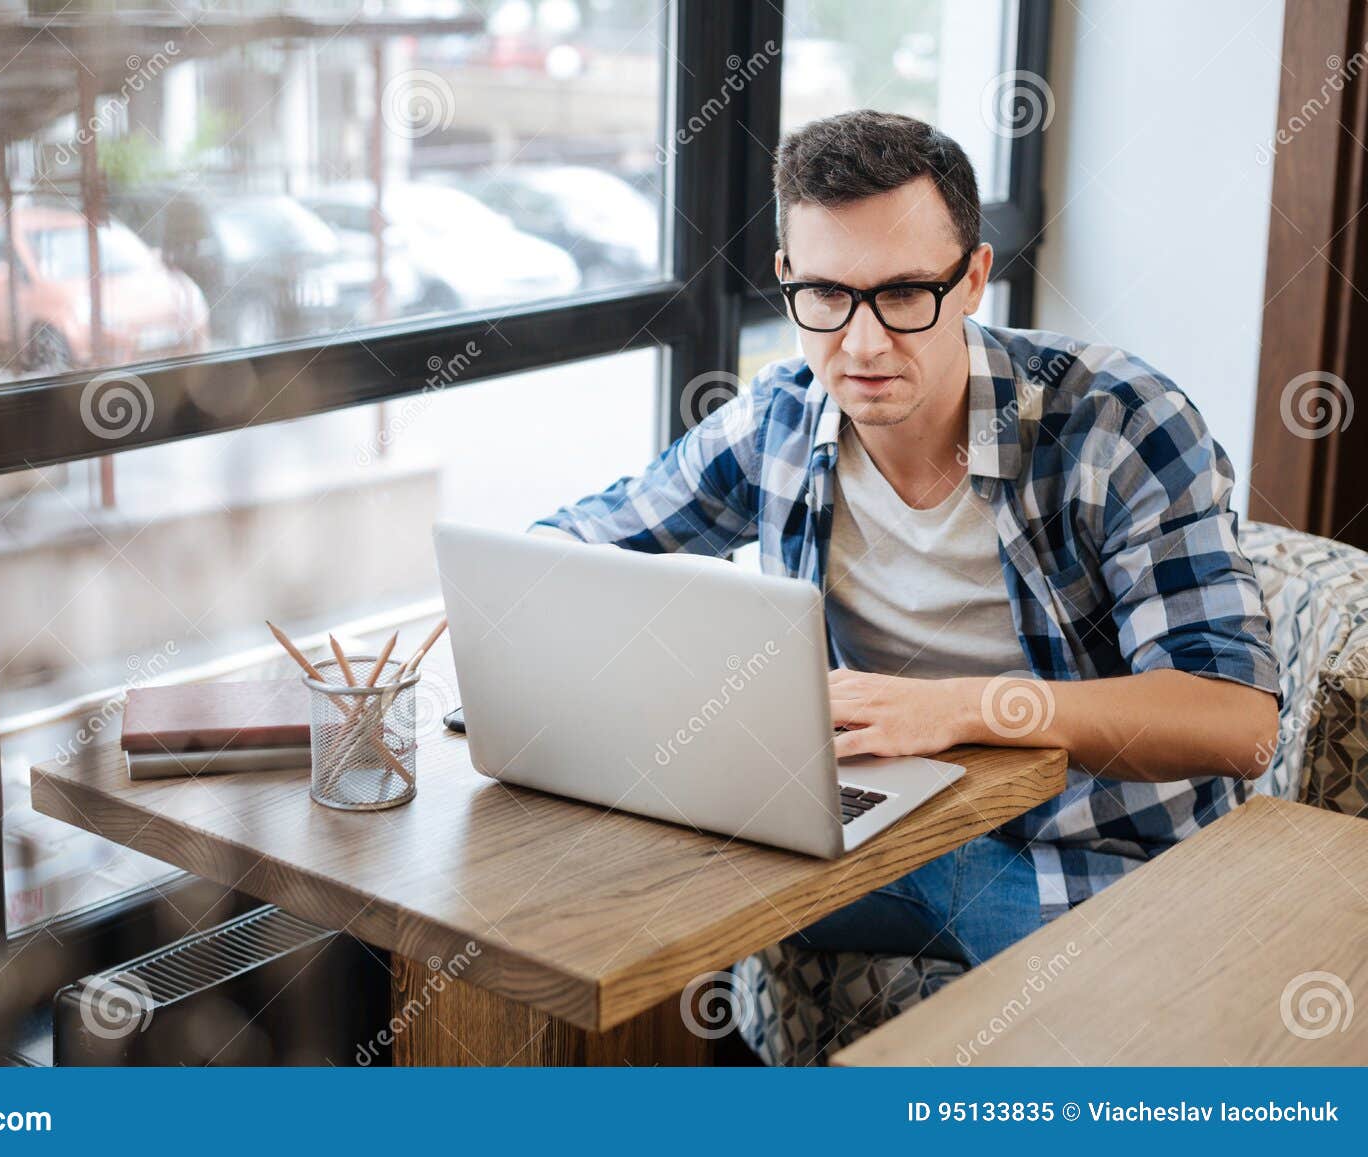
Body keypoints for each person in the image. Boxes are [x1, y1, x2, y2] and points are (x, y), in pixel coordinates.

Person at [530, 110, 1280, 967]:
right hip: (880, 830)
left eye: (902, 294)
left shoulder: (1115, 420)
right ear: (786, 277)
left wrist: (956, 707)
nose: (861, 343)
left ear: (972, 281)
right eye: (825, 295)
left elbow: (1237, 721)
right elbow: (578, 545)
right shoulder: (781, 417)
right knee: (600, 898)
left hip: (1096, 854)